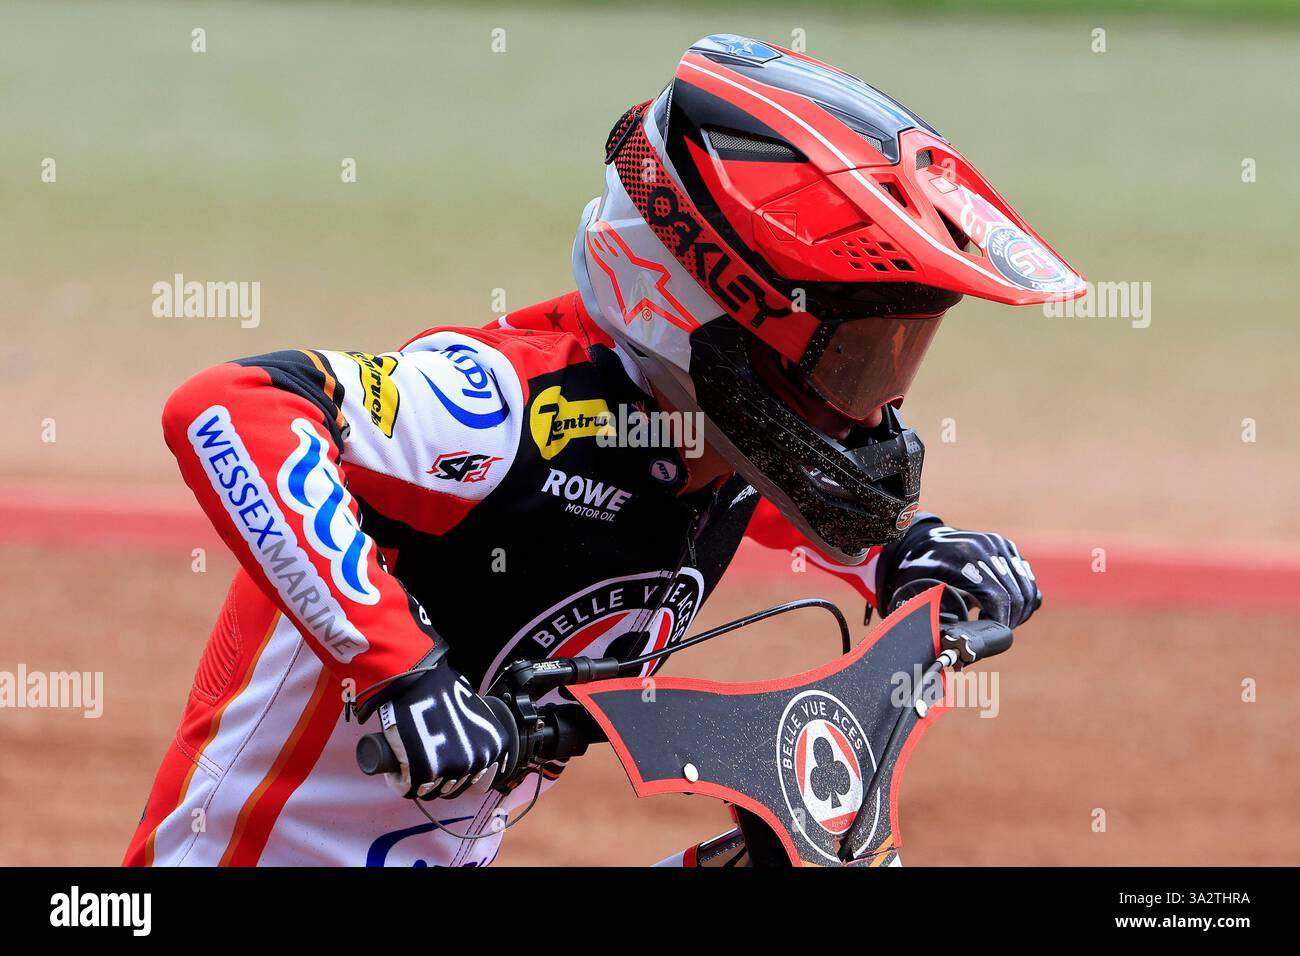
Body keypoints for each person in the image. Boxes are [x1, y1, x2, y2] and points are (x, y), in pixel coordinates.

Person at [124, 34, 1083, 867]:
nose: (868, 412)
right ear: (711, 312)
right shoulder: (499, 407)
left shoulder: (716, 442)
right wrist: (401, 670)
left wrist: (904, 556)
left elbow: (767, 494)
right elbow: (225, 407)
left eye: (894, 361)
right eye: (849, 362)